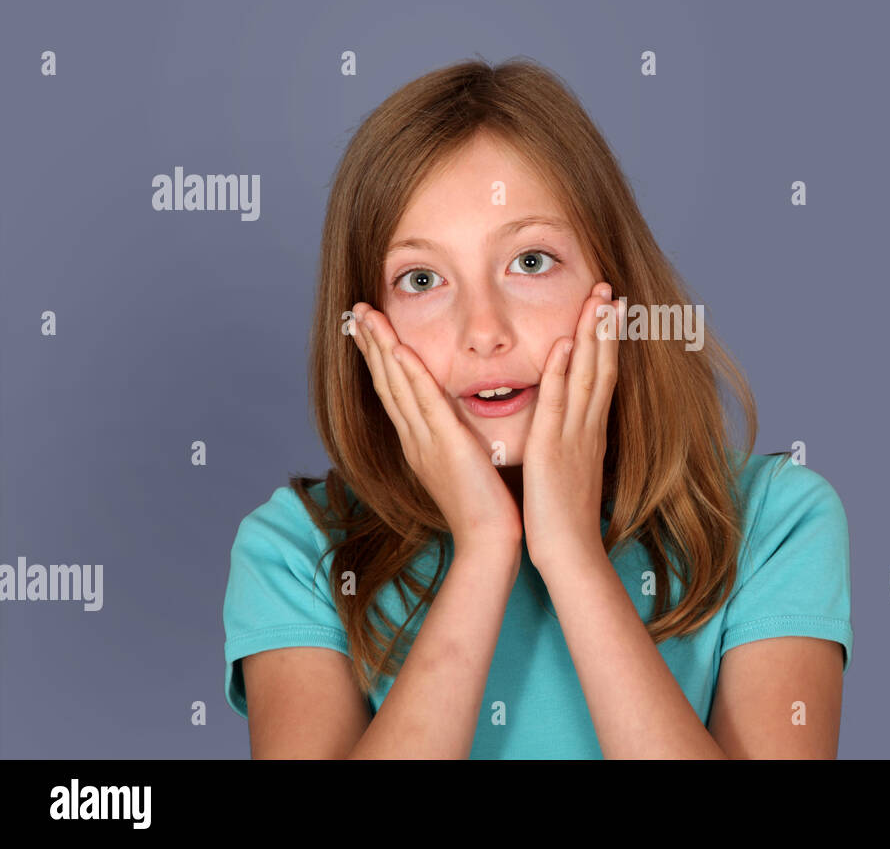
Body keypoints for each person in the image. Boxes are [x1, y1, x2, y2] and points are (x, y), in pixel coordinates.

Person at [222, 56, 852, 758]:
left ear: (613, 287)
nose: (483, 330)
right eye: (423, 278)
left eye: (529, 262)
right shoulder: (298, 552)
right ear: (366, 330)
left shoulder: (777, 523)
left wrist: (573, 558)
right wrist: (486, 550)